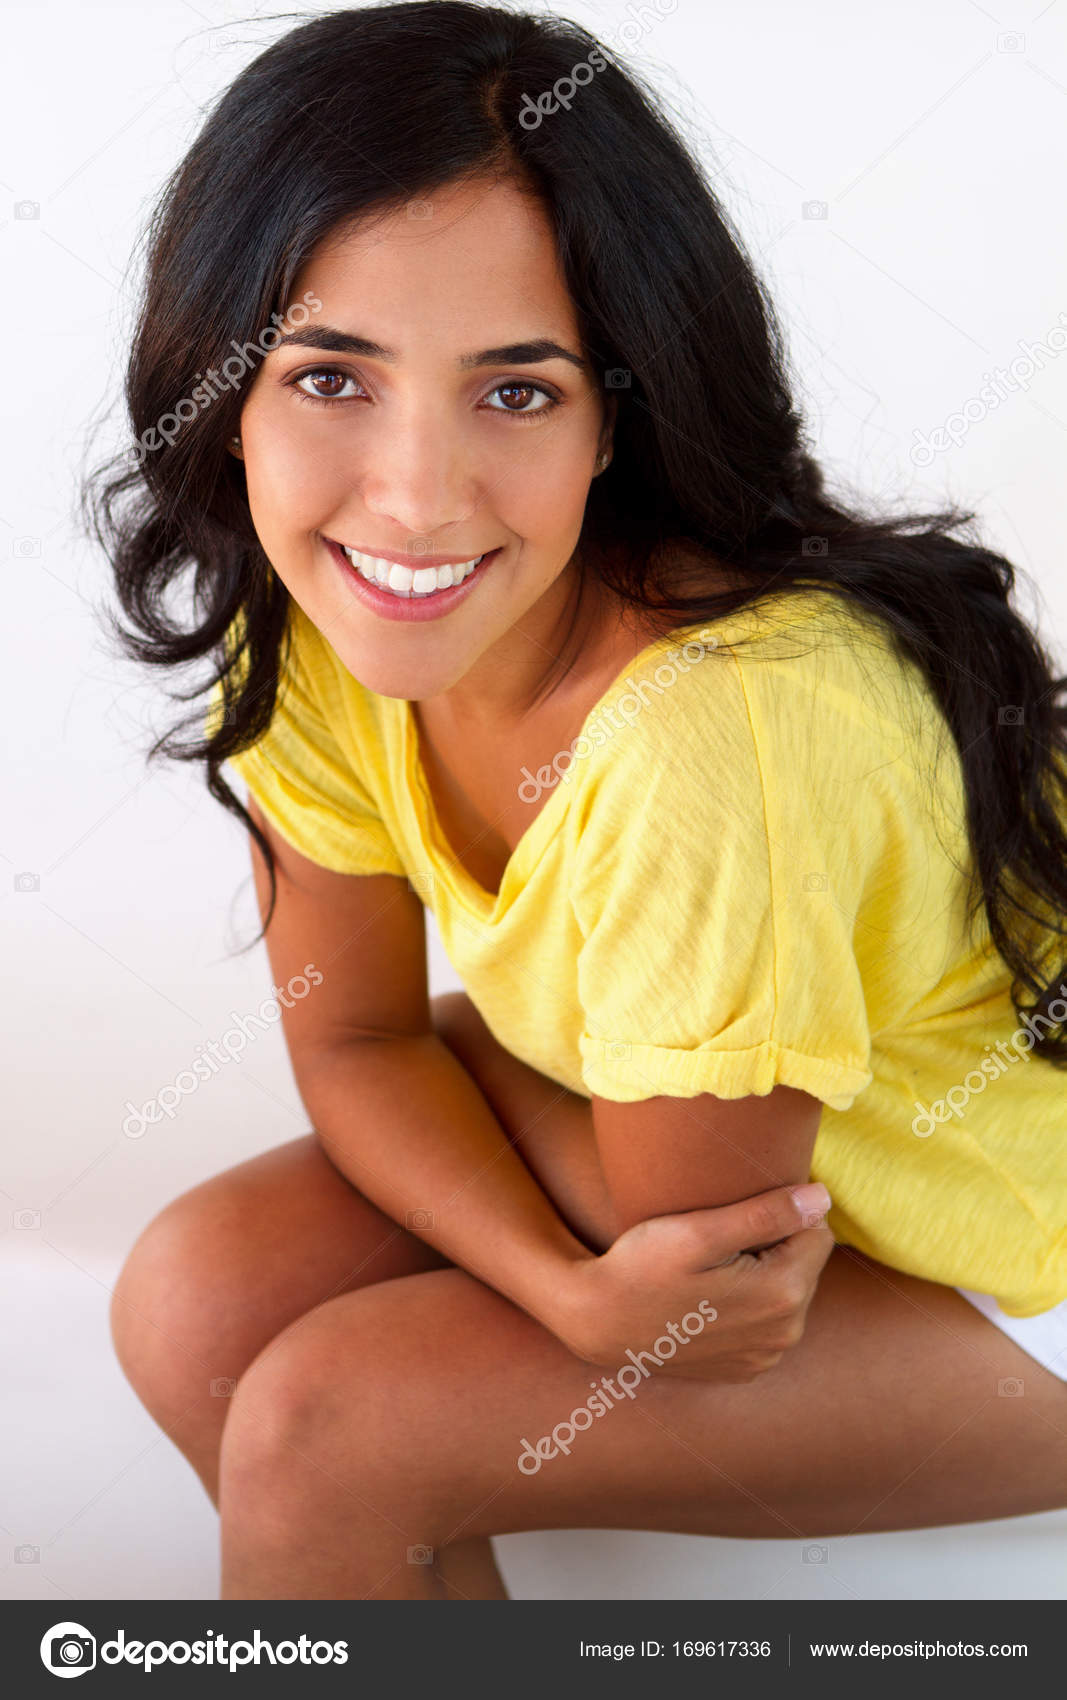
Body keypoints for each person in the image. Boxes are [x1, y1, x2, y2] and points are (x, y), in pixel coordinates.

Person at [85, 3, 1067, 1601]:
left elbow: (704, 1266)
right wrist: (551, 1285)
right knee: (195, 1301)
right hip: (742, 1180)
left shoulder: (714, 733)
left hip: (1016, 1257)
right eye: (330, 376)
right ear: (221, 387)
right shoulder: (319, 626)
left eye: (517, 392)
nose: (415, 499)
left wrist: (557, 1240)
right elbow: (360, 1040)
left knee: (329, 1433)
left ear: (621, 409)